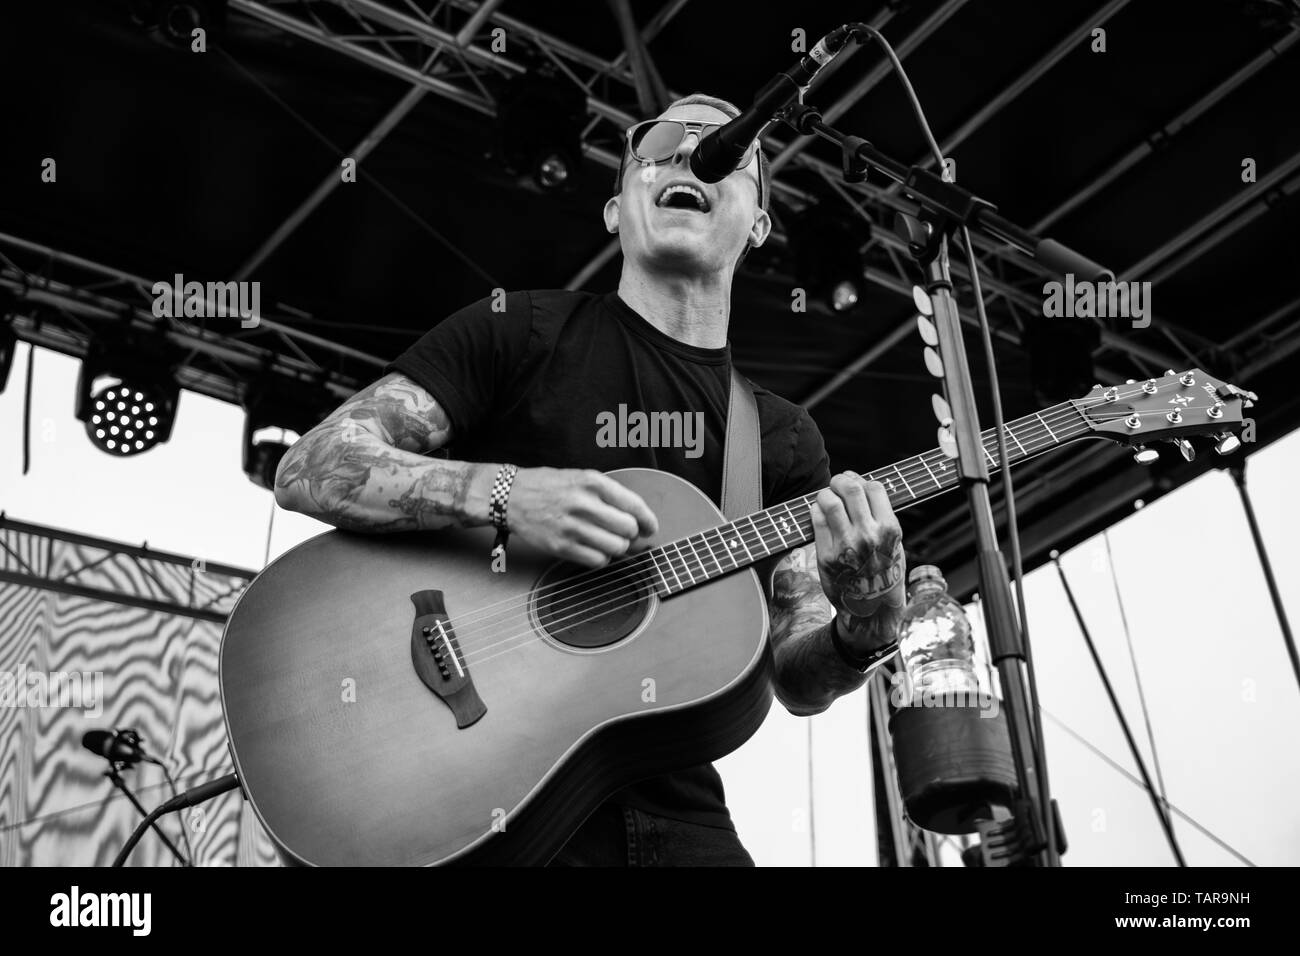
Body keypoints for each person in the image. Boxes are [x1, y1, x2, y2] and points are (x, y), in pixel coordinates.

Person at [273, 93, 907, 866]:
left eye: (721, 151)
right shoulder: (519, 331)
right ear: (614, 210)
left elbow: (793, 671)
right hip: (483, 797)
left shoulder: (781, 439)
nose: (688, 156)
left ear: (761, 227)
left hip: (677, 822)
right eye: (663, 143)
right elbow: (310, 467)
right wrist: (507, 495)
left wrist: (863, 629)